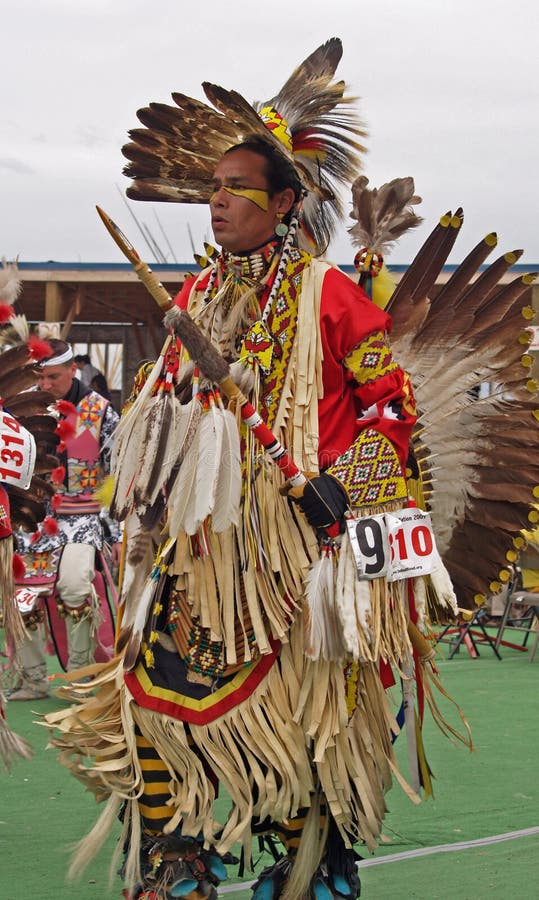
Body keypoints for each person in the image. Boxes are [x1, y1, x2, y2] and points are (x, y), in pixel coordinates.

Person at [45, 40, 427, 900]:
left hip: (297, 554)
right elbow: (157, 406)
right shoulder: (197, 297)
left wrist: (345, 492)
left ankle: (307, 868)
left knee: (298, 719)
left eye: (235, 189)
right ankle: (178, 856)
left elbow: (392, 410)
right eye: (210, 188)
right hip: (202, 549)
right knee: (153, 693)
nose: (215, 202)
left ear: (285, 202)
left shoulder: (332, 297)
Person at [6, 339, 121, 700]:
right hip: (33, 517)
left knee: (74, 585)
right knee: (18, 595)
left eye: (53, 377)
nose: (46, 385)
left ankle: (81, 675)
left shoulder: (100, 410)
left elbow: (116, 472)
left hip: (84, 515)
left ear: (73, 370)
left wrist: (114, 530)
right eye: (40, 378)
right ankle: (32, 678)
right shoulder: (20, 409)